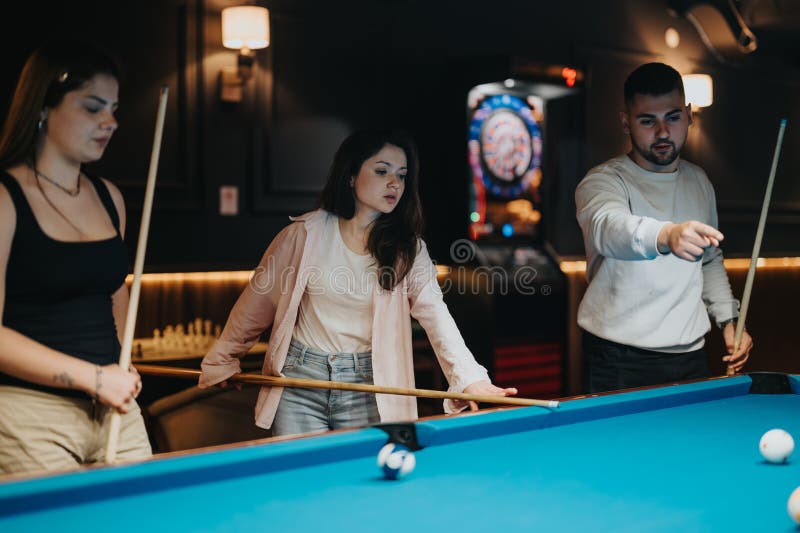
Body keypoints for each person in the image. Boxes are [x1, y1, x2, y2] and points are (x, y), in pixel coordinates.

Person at [200, 129, 517, 436]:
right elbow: (258, 301)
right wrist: (224, 359)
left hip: (368, 382)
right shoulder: (304, 234)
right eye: (382, 171)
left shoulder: (409, 248)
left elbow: (436, 313)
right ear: (350, 176)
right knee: (304, 481)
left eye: (402, 175)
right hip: (299, 378)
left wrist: (468, 377)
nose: (395, 183)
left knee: (362, 482)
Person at [0, 40, 151, 475]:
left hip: (114, 412)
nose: (110, 122)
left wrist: (121, 363)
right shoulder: (6, 199)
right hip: (27, 416)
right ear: (44, 108)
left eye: (114, 109)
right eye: (92, 107)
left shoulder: (110, 199)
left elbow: (114, 292)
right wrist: (93, 377)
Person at [575, 62, 753, 393]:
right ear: (626, 123)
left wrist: (728, 320)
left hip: (692, 355)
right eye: (647, 120)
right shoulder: (604, 181)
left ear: (688, 115)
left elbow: (709, 259)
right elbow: (607, 228)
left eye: (672, 117)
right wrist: (666, 235)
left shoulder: (699, 180)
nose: (662, 132)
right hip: (618, 359)